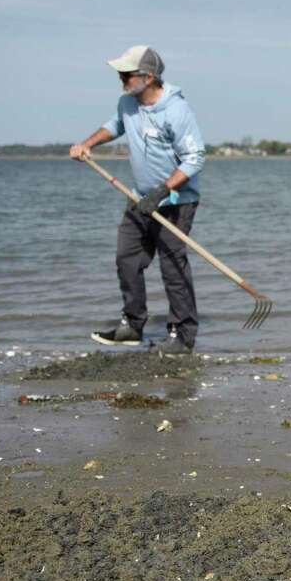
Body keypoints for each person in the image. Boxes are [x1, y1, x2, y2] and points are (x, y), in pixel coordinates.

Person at [68, 46, 206, 355]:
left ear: (149, 77)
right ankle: (132, 324)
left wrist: (161, 191)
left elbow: (195, 158)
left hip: (175, 199)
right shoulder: (127, 103)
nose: (122, 78)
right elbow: (116, 125)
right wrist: (87, 144)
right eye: (121, 73)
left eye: (127, 74)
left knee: (172, 265)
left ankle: (182, 334)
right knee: (126, 257)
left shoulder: (177, 111)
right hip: (139, 197)